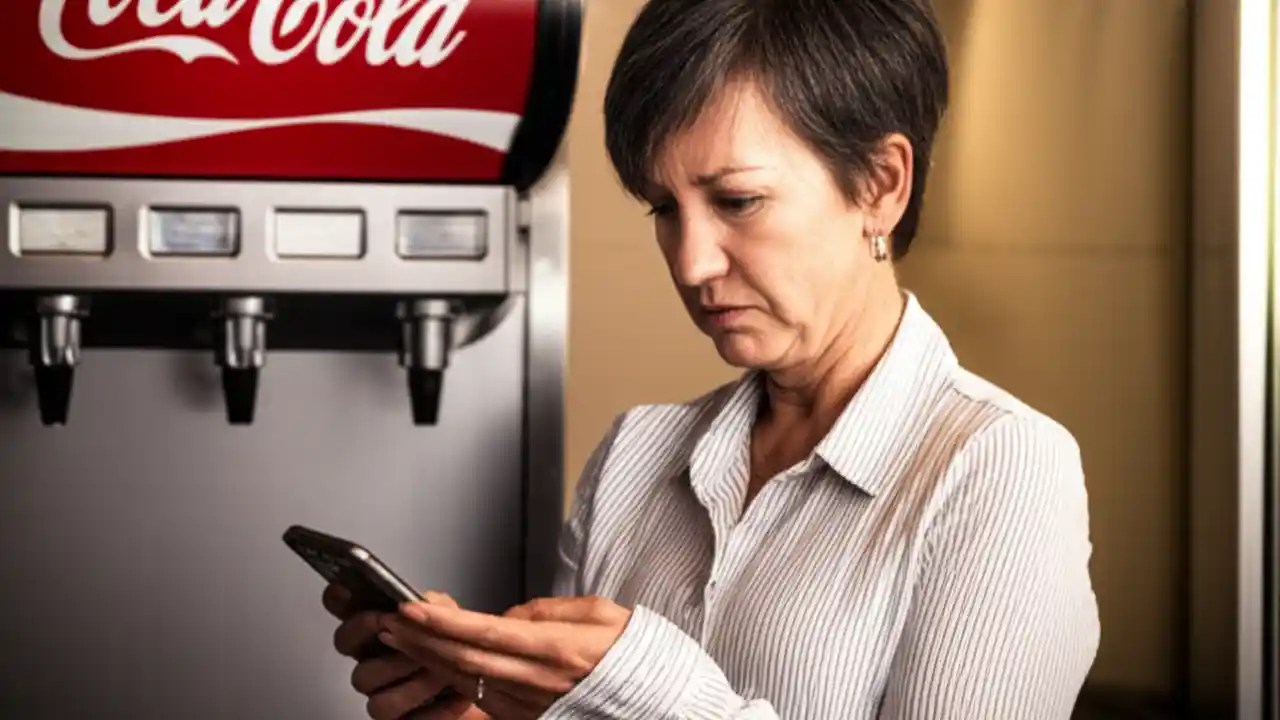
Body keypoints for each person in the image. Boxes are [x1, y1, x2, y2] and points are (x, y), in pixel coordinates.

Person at [322, 0, 1102, 717]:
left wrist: (651, 689)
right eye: (664, 208)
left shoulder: (999, 467)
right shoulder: (635, 456)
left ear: (881, 185)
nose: (691, 262)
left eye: (737, 201)